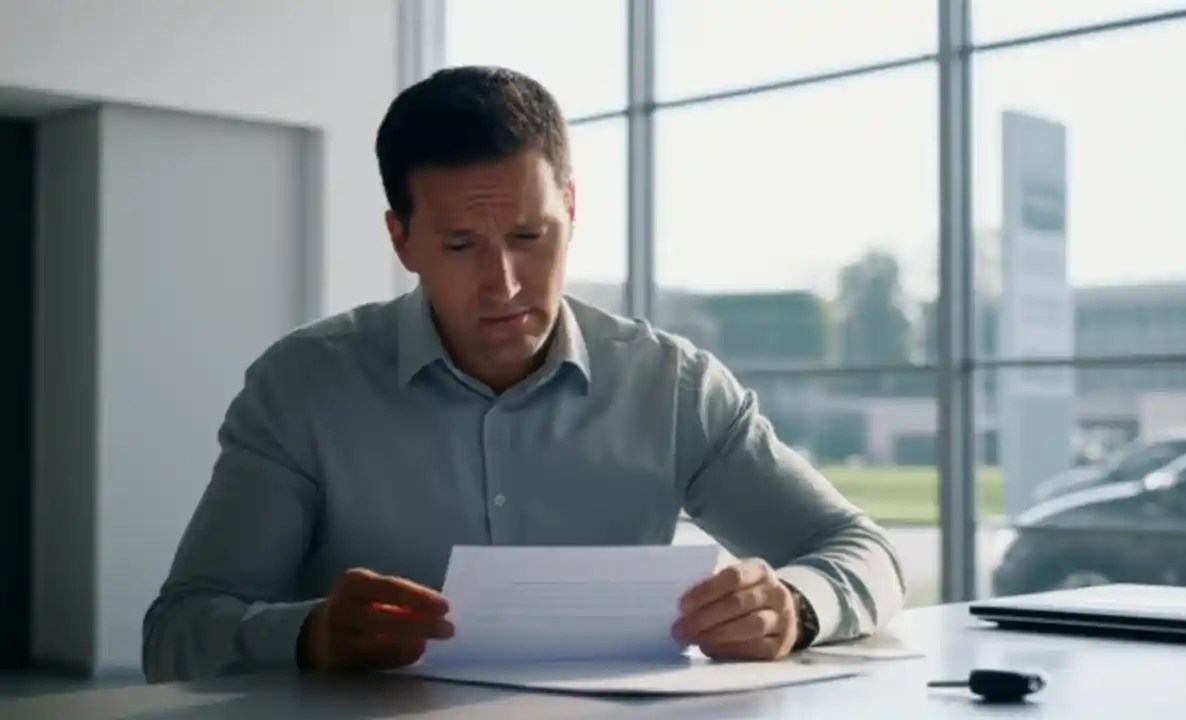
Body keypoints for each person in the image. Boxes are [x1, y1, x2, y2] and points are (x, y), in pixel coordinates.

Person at [142, 66, 904, 683]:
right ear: (401, 240)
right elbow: (178, 632)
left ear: (571, 207)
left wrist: (796, 608)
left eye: (529, 235)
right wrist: (309, 635)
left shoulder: (672, 384)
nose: (504, 284)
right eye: (462, 245)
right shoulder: (302, 387)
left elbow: (860, 549)